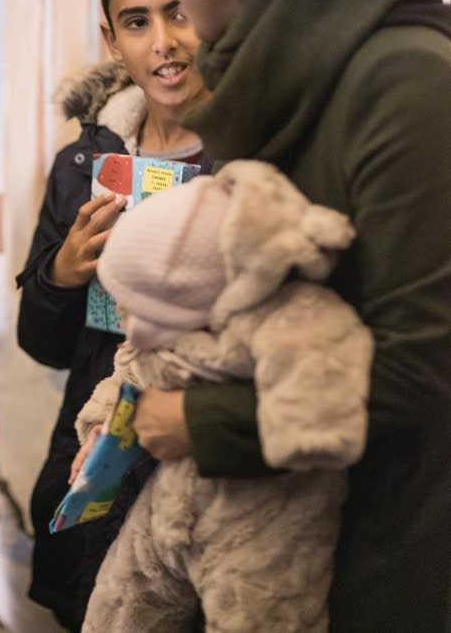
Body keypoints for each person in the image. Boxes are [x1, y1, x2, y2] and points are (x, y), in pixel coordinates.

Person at [143, 0, 451, 629]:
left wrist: (201, 421)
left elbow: (424, 365)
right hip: (274, 534)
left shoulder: (408, 83)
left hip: (384, 562)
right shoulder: (274, 76)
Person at [73, 161, 372, 632]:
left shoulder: (286, 321)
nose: (124, 316)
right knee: (122, 599)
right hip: (168, 502)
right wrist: (100, 431)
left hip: (265, 517)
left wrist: (301, 432)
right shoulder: (161, 336)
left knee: (257, 613)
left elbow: (321, 389)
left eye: (134, 305)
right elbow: (129, 373)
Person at [15, 0, 210, 628]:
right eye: (138, 22)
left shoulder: (256, 155)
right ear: (112, 38)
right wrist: (61, 274)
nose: (165, 42)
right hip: (92, 469)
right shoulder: (82, 165)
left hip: (205, 473)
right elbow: (42, 344)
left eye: (179, 12)